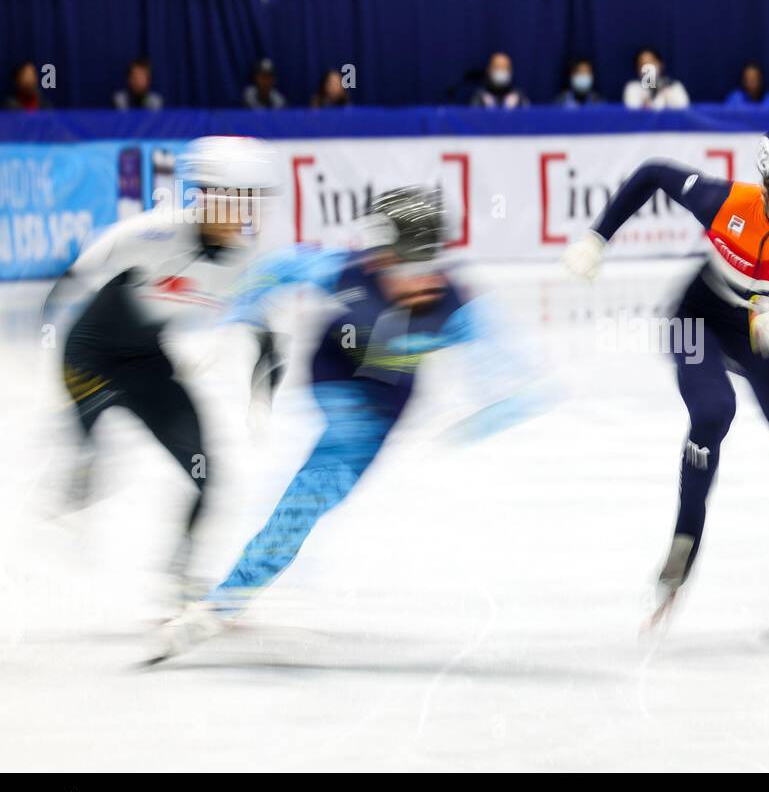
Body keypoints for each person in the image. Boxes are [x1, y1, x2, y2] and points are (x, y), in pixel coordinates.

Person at [151, 187, 543, 660]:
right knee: (315, 480)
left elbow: (517, 376)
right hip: (331, 374)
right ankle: (226, 600)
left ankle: (229, 596)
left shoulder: (454, 304)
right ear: (379, 259)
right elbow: (271, 270)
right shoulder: (341, 271)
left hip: (382, 408)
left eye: (432, 265)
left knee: (310, 496)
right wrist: (231, 323)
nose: (425, 283)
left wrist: (486, 413)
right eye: (409, 268)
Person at [563, 127, 769, 623]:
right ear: (766, 189)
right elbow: (653, 173)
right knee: (713, 409)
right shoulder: (725, 203)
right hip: (697, 320)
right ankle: (685, 541)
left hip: (767, 330)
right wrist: (597, 237)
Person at [42, 136, 280, 593]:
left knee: (206, 473)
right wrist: (49, 317)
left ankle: (182, 579)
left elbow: (267, 338)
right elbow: (83, 269)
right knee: (92, 443)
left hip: (148, 363)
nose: (248, 214)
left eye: (253, 202)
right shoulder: (156, 232)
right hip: (88, 357)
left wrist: (262, 392)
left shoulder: (243, 264)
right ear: (210, 197)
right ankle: (80, 469)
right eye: (241, 200)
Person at [622, 47, 690, 110]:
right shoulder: (633, 88)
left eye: (651, 62)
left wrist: (667, 97)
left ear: (661, 64)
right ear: (637, 68)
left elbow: (684, 111)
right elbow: (632, 113)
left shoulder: (675, 86)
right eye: (643, 63)